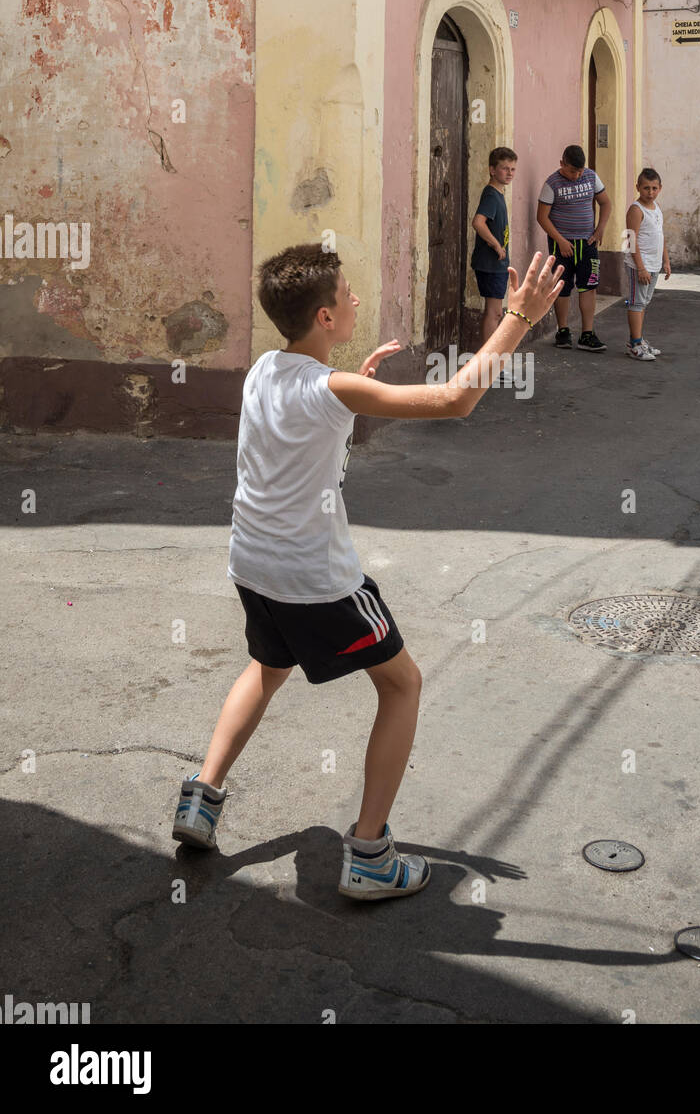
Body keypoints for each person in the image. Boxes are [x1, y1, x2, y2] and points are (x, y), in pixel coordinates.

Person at [172, 242, 563, 898]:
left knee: (267, 669)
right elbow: (453, 401)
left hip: (251, 563)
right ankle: (370, 855)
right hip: (315, 581)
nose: (356, 300)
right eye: (346, 295)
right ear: (324, 316)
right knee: (403, 685)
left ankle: (200, 800)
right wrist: (517, 317)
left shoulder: (265, 369)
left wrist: (352, 380)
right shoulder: (332, 389)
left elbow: (310, 410)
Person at [536, 144, 611, 351]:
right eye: (571, 171)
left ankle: (587, 334)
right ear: (562, 164)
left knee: (589, 286)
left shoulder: (591, 177)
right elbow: (542, 217)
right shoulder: (552, 184)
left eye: (579, 171)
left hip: (587, 243)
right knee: (562, 287)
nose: (576, 175)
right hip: (563, 245)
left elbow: (605, 203)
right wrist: (559, 240)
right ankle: (563, 331)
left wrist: (600, 229)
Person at [623, 168, 671, 359]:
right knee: (636, 303)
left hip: (654, 265)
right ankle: (634, 345)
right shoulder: (636, 210)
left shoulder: (656, 207)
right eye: (645, 188)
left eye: (654, 188)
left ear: (660, 188)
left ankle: (639, 339)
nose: (650, 192)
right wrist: (640, 268)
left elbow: (661, 236)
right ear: (638, 188)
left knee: (643, 303)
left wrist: (666, 261)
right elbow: (630, 241)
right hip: (639, 266)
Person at [471, 147, 516, 344]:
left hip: (496, 264)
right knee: (494, 313)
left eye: (513, 169)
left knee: (496, 311)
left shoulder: (497, 194)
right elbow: (478, 222)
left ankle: (491, 361)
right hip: (490, 263)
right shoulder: (491, 195)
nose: (509, 173)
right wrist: (497, 246)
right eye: (505, 169)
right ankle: (490, 362)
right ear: (492, 170)